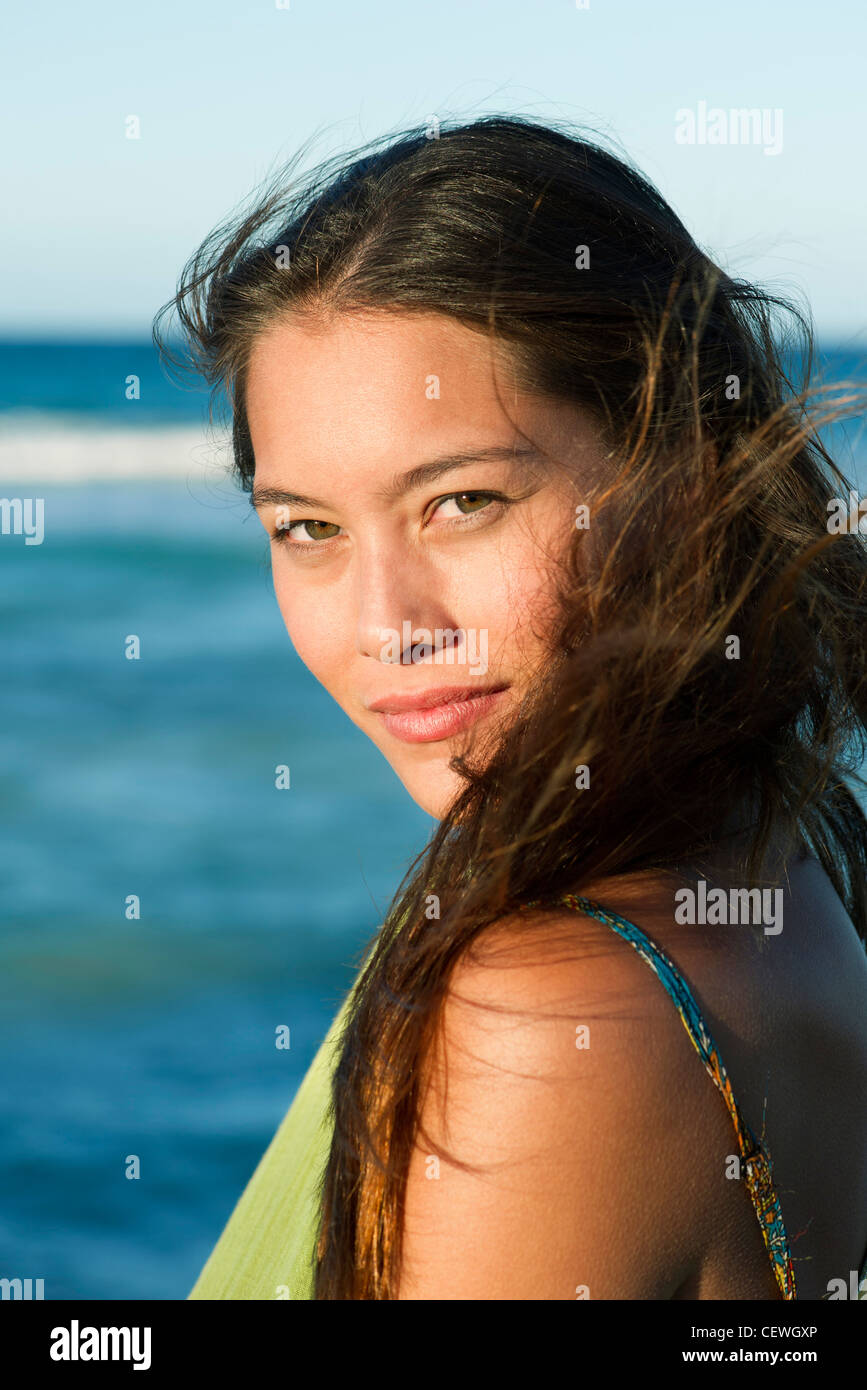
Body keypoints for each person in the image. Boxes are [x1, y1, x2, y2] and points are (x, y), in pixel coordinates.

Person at [156, 115, 867, 1300]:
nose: (389, 621)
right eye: (308, 530)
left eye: (462, 501)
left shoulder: (553, 1016)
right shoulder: (795, 861)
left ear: (677, 462)